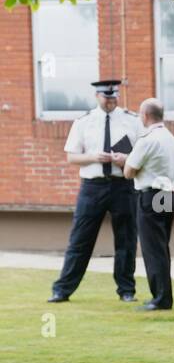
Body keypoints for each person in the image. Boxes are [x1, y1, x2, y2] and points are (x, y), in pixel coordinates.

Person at [48, 79, 142, 303]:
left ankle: (126, 290)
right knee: (80, 239)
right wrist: (94, 157)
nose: (110, 101)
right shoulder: (84, 122)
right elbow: (72, 156)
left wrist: (125, 159)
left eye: (113, 98)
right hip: (93, 186)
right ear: (97, 97)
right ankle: (62, 289)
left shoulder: (132, 120)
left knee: (126, 240)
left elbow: (141, 154)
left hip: (123, 185)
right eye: (106, 98)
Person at [123, 98, 174, 311]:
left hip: (151, 196)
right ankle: (164, 295)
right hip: (168, 194)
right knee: (162, 246)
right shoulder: (170, 138)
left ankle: (161, 298)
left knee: (152, 248)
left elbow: (129, 172)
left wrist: (126, 160)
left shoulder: (146, 140)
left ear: (145, 116)